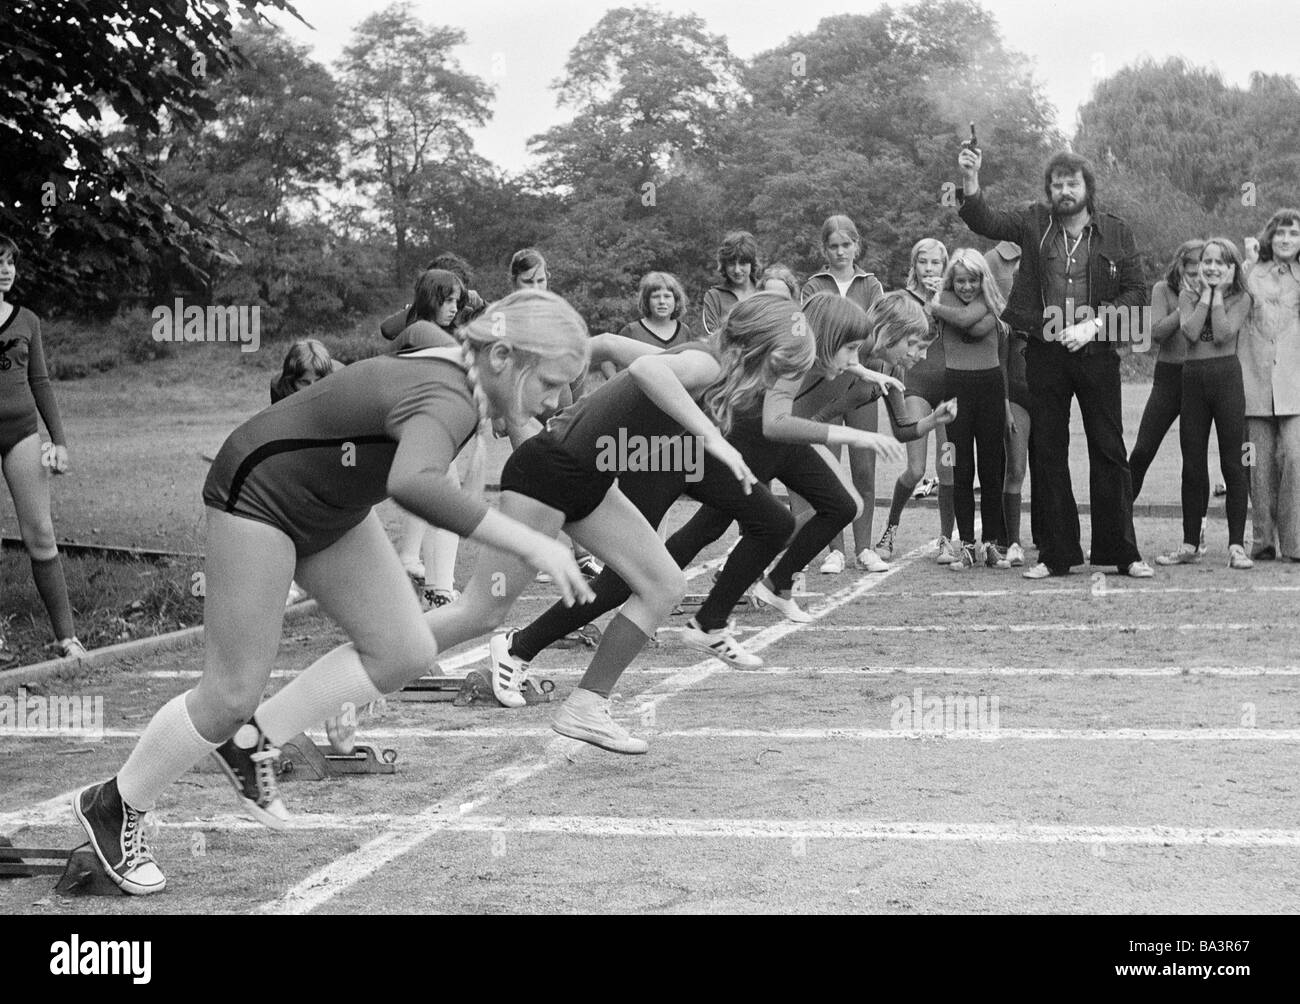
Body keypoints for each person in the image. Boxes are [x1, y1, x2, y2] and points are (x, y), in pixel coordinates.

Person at [71, 289, 594, 895]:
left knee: (402, 651)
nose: (556, 402)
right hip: (261, 493)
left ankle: (252, 745)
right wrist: (533, 544)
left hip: (331, 504)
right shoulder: (451, 394)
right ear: (503, 355)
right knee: (230, 692)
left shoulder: (463, 370)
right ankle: (114, 804)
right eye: (552, 384)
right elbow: (415, 484)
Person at [957, 147, 1154, 579]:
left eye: (1072, 183)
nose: (1064, 191)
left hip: (1097, 352)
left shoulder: (1117, 233)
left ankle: (1121, 552)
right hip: (1044, 351)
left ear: (1088, 189)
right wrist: (971, 180)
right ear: (1049, 191)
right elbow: (985, 220)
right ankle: (1055, 554)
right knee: (1048, 450)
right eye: (1057, 185)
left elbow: (1138, 292)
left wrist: (1095, 326)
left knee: (1109, 449)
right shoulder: (1033, 222)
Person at [0, 236, 85, 664]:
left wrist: (61, 442)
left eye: (11, 261)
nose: (6, 270)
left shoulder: (27, 320)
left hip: (21, 435)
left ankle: (66, 638)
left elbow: (41, 384)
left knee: (42, 534)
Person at [799, 214, 889, 574]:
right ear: (824, 249)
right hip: (825, 386)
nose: (839, 252)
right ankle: (833, 549)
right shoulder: (812, 286)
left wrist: (846, 336)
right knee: (829, 469)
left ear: (857, 246)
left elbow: (876, 334)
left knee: (864, 469)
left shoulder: (872, 284)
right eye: (832, 246)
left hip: (864, 387)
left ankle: (864, 548)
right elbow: (811, 333)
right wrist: (851, 336)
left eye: (846, 245)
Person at [1156, 238, 1253, 568]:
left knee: (1233, 465)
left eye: (1220, 263)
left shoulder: (1242, 298)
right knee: (1193, 463)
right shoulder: (1187, 295)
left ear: (1232, 269)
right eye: (1207, 261)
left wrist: (1216, 296)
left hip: (1227, 379)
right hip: (1193, 380)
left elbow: (1224, 333)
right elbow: (1192, 333)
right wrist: (1208, 295)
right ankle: (1189, 543)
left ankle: (1236, 546)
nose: (1211, 267)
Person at [875, 239, 957, 564]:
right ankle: (890, 530)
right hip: (916, 388)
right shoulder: (903, 300)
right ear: (914, 265)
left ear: (944, 266)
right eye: (923, 262)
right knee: (915, 468)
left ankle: (946, 541)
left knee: (948, 467)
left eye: (936, 263)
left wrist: (942, 300)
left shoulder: (954, 299)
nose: (929, 269)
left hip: (950, 390)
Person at [1129, 241, 1209, 553]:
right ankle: (1114, 528)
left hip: (1199, 378)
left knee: (1194, 459)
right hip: (1168, 377)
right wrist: (1185, 306)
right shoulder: (1163, 289)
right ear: (1179, 265)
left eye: (1200, 265)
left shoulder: (1214, 293)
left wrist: (1205, 300)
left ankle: (1195, 534)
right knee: (1142, 450)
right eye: (1189, 265)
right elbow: (1157, 333)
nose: (1195, 271)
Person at [932, 249, 1010, 569]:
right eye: (960, 280)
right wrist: (940, 303)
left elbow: (970, 325)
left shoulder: (991, 298)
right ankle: (965, 543)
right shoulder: (947, 296)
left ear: (983, 279)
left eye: (973, 280)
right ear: (953, 280)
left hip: (990, 386)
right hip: (955, 388)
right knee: (960, 467)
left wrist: (937, 308)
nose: (966, 287)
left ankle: (991, 543)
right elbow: (967, 320)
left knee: (992, 468)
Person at [1239, 209, 1300, 561]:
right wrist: (1248, 265)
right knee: (1257, 462)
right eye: (1280, 233)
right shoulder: (1250, 273)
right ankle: (1262, 540)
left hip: (1294, 382)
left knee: (1294, 455)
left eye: (1293, 234)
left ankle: (1293, 542)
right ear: (1270, 237)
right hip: (1255, 379)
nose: (1286, 240)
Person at [269, 339, 344, 606]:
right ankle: (288, 581)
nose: (313, 389)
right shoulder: (278, 386)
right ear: (292, 380)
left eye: (318, 382)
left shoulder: (340, 384)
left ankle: (337, 576)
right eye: (304, 383)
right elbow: (281, 430)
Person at [985, 241, 1030, 565]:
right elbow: (1000, 363)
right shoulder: (1006, 313)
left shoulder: (1058, 309)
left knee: (1050, 468)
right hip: (1015, 396)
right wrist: (1002, 404)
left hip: (1048, 396)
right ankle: (1012, 542)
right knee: (1015, 468)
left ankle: (1050, 536)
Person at [701, 231, 760, 337]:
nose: (737, 270)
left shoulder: (764, 291)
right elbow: (712, 336)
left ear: (752, 264)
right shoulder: (714, 297)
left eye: (742, 263)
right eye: (731, 264)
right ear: (724, 265)